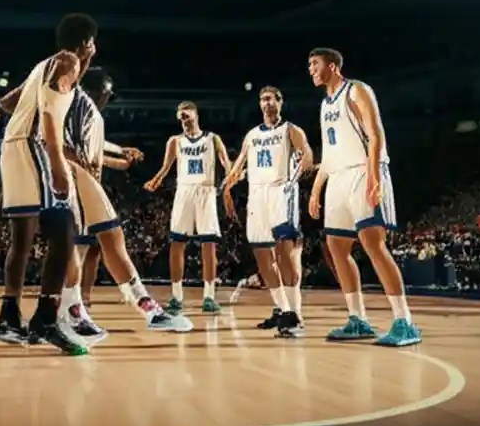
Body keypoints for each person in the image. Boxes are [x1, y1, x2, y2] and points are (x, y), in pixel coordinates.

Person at [0, 17, 93, 355]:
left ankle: (9, 317)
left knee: (22, 239)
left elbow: (7, 102)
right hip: (33, 146)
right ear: (87, 43)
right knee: (64, 232)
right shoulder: (69, 62)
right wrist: (58, 166)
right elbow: (49, 116)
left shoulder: (44, 66)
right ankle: (46, 321)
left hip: (14, 145)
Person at [306, 47, 420, 347]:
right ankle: (357, 319)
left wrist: (373, 175)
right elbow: (328, 153)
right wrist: (317, 188)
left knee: (372, 242)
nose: (311, 69)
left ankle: (404, 321)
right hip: (338, 177)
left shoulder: (356, 90)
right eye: (309, 65)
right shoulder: (324, 104)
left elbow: (375, 133)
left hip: (362, 171)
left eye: (315, 64)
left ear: (332, 66)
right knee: (336, 246)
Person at [64, 68, 193, 334]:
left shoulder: (77, 107)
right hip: (76, 184)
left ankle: (74, 310)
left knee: (88, 247)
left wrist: (120, 152)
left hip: (80, 183)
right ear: (98, 92)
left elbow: (93, 148)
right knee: (105, 240)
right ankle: (142, 307)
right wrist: (82, 170)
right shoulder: (80, 107)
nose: (107, 100)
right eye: (108, 95)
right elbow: (68, 149)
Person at [223, 86, 313, 336]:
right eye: (263, 100)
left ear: (280, 102)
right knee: (264, 259)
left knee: (285, 254)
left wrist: (298, 170)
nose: (267, 104)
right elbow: (238, 165)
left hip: (281, 192)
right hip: (257, 196)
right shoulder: (252, 135)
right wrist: (227, 189)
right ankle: (283, 310)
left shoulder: (291, 130)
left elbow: (307, 154)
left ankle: (295, 314)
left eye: (271, 99)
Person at [143, 101, 232, 314]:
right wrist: (155, 180)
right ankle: (176, 296)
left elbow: (227, 165)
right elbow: (166, 167)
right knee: (177, 243)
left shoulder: (213, 138)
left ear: (195, 114)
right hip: (184, 191)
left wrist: (230, 183)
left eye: (187, 116)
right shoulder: (175, 141)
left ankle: (209, 296)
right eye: (180, 117)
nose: (184, 120)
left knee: (208, 244)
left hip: (206, 190)